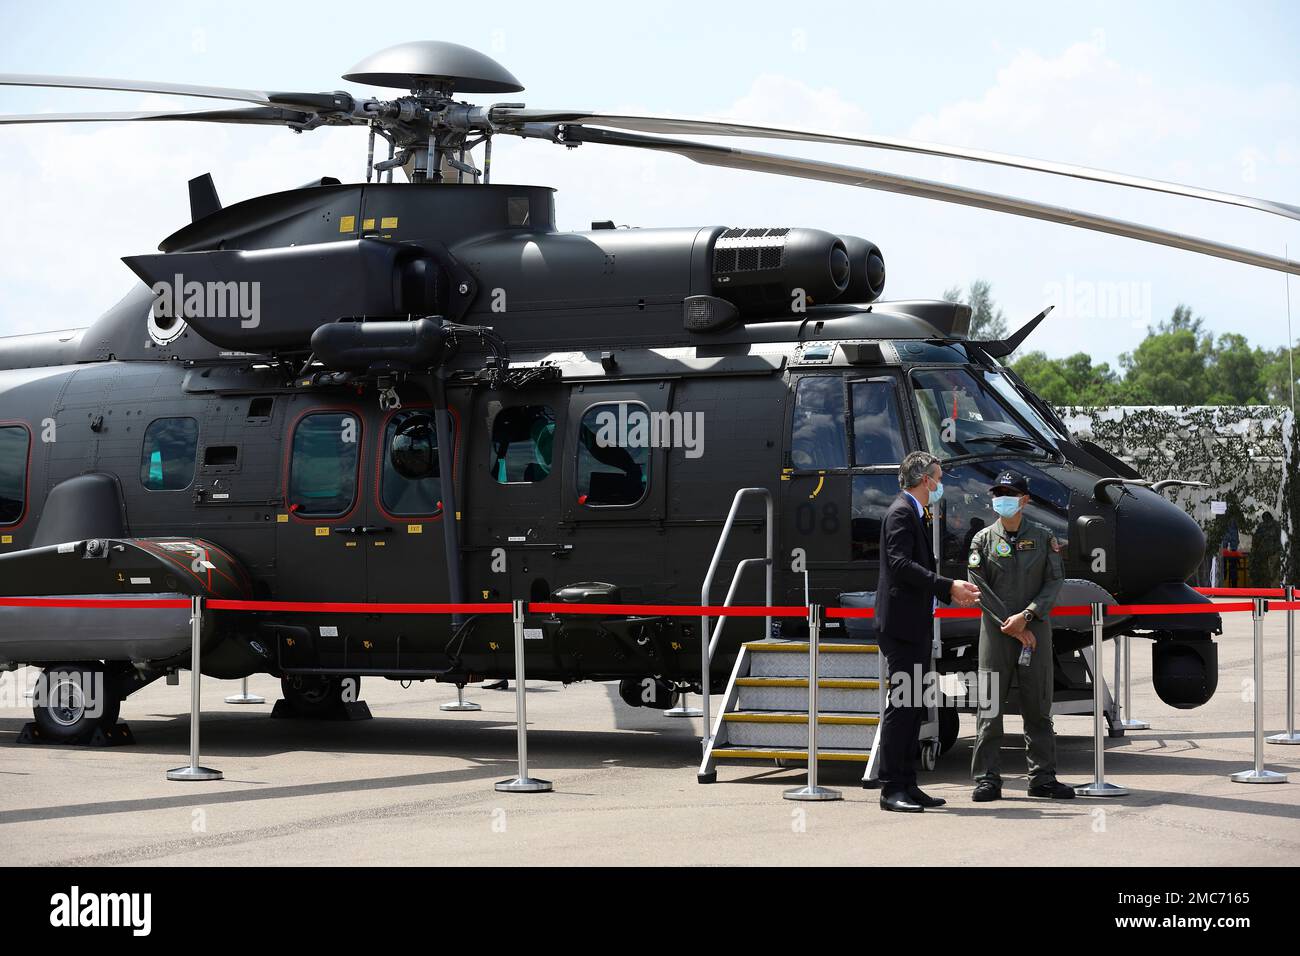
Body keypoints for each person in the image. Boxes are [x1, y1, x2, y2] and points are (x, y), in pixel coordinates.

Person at [874, 451, 981, 812]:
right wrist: (947, 586)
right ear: (925, 481)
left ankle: (908, 782)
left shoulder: (915, 513)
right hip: (902, 628)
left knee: (915, 705)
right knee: (902, 705)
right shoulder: (901, 513)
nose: (941, 484)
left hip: (913, 624)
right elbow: (901, 565)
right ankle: (891, 788)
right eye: (938, 477)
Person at [966, 470, 1076, 801]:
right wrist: (1010, 623)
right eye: (998, 492)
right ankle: (987, 777)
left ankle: (1042, 777)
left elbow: (1054, 582)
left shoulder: (1044, 539)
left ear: (1024, 500)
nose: (1002, 498)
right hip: (996, 632)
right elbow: (977, 586)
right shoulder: (982, 540)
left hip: (1035, 630)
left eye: (1010, 493)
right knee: (989, 706)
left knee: (1038, 704)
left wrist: (1026, 616)